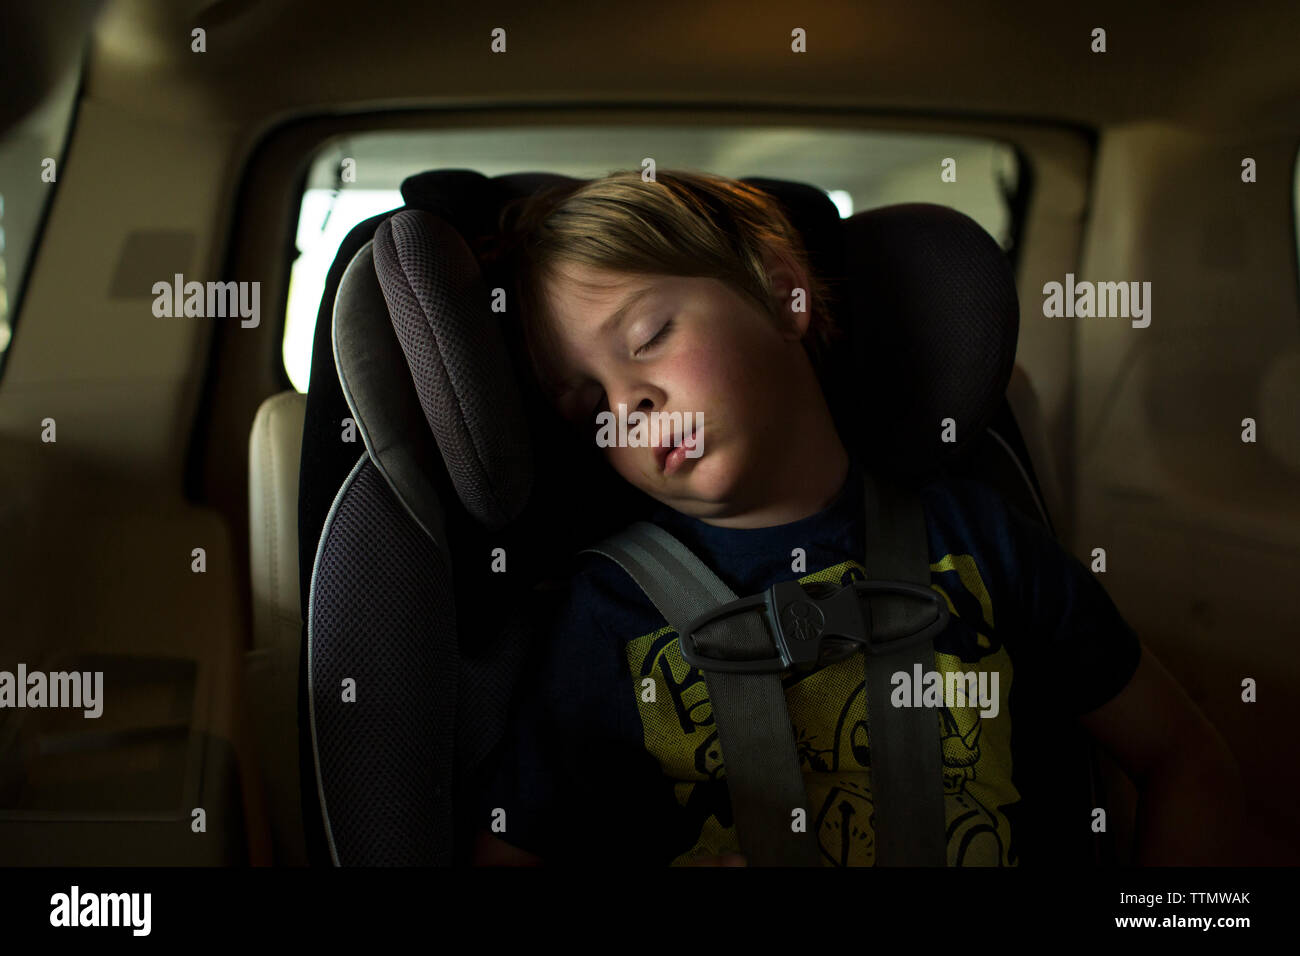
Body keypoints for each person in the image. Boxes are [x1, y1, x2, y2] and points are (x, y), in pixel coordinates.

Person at [471, 169, 1243, 866]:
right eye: (589, 408)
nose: (626, 406)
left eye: (648, 336)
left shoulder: (982, 541)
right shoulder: (608, 613)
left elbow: (1187, 760)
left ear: (783, 295)